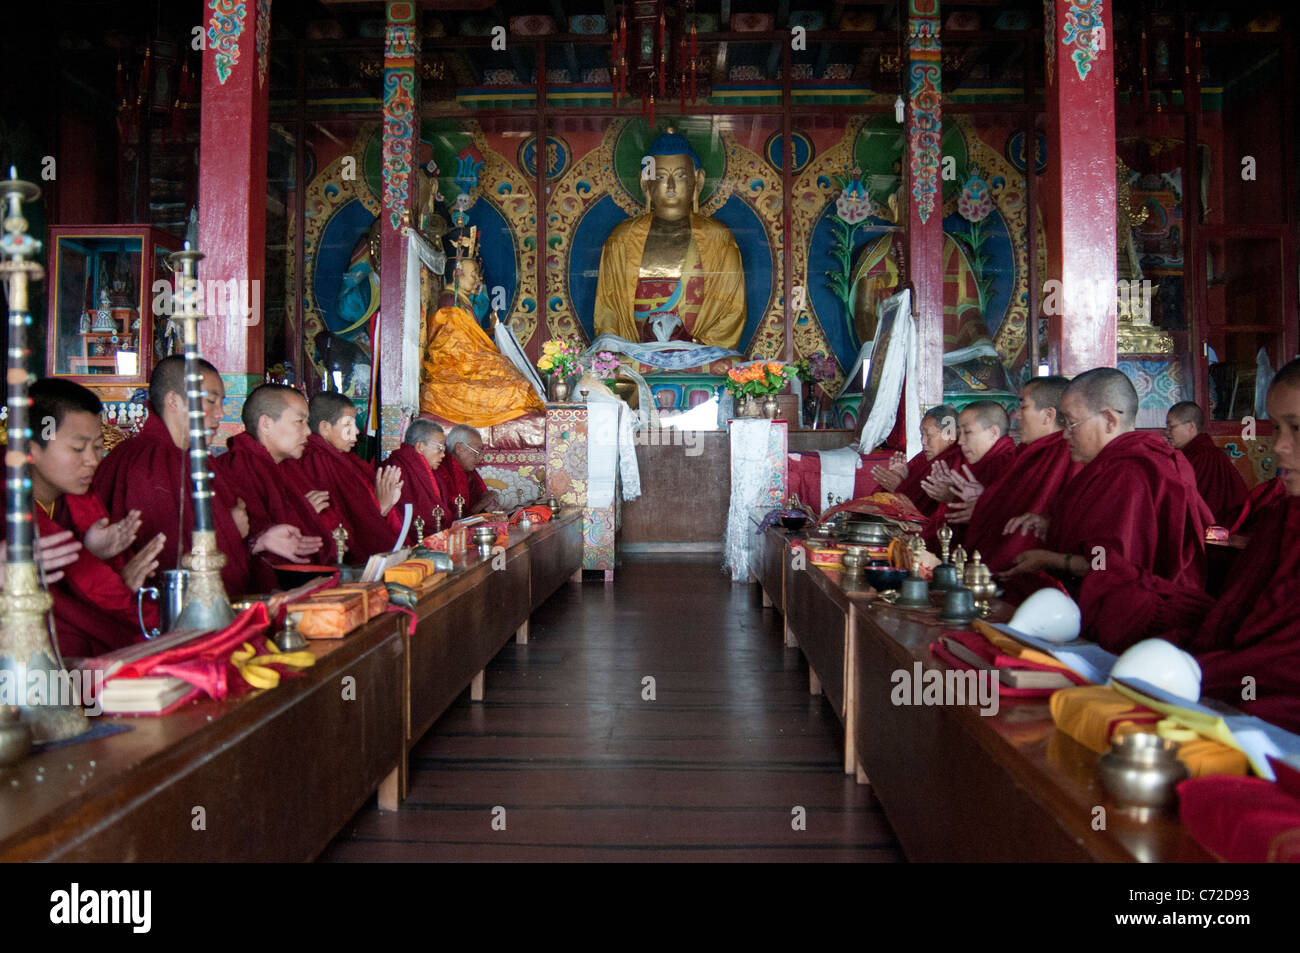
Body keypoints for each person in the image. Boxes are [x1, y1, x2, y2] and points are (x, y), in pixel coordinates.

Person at [1003, 367, 1212, 651]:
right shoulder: (1111, 466)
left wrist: (1048, 559)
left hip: (1137, 630)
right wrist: (1052, 526)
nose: (1065, 435)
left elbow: (1113, 570)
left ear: (1110, 420)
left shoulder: (1131, 473)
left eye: (1072, 424)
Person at [1182, 359, 1300, 731]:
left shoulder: (1209, 463)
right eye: (1277, 427)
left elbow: (1230, 529)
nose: (1279, 446)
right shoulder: (1282, 500)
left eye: (1295, 428)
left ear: (1191, 427)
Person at [15, 380, 165, 656]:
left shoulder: (83, 506)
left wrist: (99, 559)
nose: (93, 460)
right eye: (78, 448)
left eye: (97, 447)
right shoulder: (7, 511)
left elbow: (80, 593)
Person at [93, 355, 259, 597]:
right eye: (210, 401)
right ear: (173, 401)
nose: (220, 413)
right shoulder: (148, 462)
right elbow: (166, 556)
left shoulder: (192, 457)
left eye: (221, 403)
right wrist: (229, 530)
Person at [592, 129, 745, 350]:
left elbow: (732, 309)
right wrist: (622, 351)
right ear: (646, 184)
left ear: (698, 181)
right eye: (661, 176)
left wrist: (692, 350)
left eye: (681, 176)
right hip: (634, 356)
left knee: (721, 363)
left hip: (699, 356)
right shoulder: (621, 240)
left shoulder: (719, 239)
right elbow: (608, 309)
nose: (671, 187)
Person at [419, 227, 546, 427]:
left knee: (512, 376)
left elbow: (469, 338)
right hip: (455, 369)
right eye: (474, 275)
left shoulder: (462, 301)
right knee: (514, 386)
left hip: (470, 363)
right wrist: (487, 355)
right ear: (457, 273)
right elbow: (454, 350)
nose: (478, 280)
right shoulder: (449, 303)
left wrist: (490, 331)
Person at [961, 376, 1079, 586]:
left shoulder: (1067, 454)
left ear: (1048, 415)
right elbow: (1009, 508)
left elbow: (1069, 525)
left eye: (1023, 407)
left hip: (1037, 575)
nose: (1016, 416)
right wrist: (983, 501)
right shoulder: (1026, 453)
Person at [213, 385, 329, 580]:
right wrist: (303, 513)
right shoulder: (240, 467)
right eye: (299, 421)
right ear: (266, 424)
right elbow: (247, 542)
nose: (308, 431)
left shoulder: (286, 467)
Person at [286, 392, 403, 561]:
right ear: (325, 428)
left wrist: (385, 502)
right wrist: (381, 508)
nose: (356, 432)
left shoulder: (347, 461)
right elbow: (340, 525)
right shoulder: (315, 461)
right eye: (348, 424)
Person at [919, 400, 1017, 543]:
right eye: (960, 433)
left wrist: (953, 498)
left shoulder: (1007, 464)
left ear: (993, 433)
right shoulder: (972, 463)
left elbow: (1007, 521)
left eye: (968, 432)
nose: (960, 441)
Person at [869, 404, 964, 519]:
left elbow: (928, 511)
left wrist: (899, 487)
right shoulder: (925, 457)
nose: (923, 441)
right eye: (921, 434)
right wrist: (902, 475)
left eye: (928, 435)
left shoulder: (955, 460)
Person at [1165, 400, 1248, 526]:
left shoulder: (1203, 458)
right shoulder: (1194, 455)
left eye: (1171, 427)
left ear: (1190, 427)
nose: (1167, 432)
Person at [384, 418, 449, 543]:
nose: (443, 455)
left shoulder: (428, 472)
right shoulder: (396, 470)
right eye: (440, 448)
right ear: (420, 447)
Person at [435, 424, 499, 517]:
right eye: (477, 452)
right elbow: (453, 520)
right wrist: (482, 504)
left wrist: (487, 509)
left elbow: (472, 510)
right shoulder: (442, 473)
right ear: (459, 448)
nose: (480, 458)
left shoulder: (469, 473)